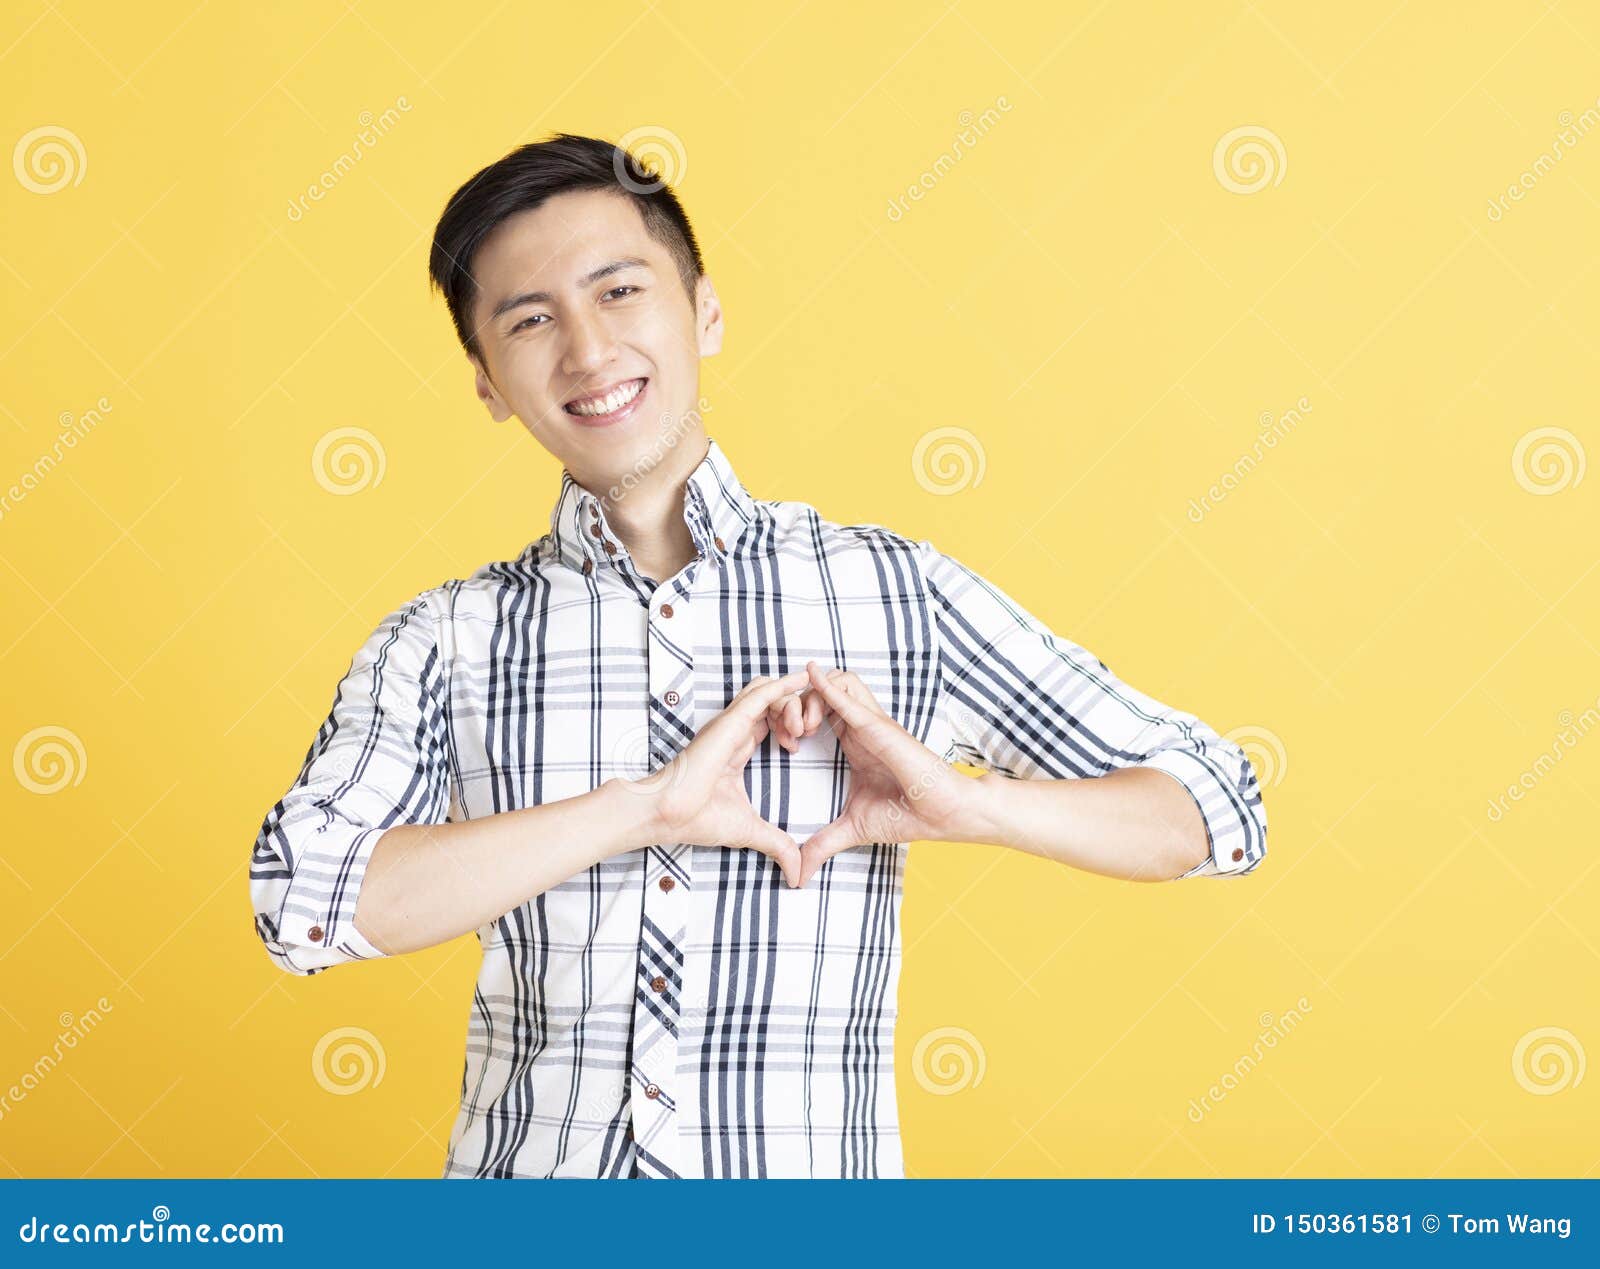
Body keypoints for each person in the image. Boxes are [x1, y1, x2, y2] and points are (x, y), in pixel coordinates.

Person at [248, 133, 1268, 1180]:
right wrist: (640, 808)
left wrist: (976, 805)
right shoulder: (446, 639)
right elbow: (301, 899)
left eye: (619, 292)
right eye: (531, 319)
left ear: (705, 313)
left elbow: (1214, 804)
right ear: (488, 382)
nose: (588, 352)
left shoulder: (892, 591)